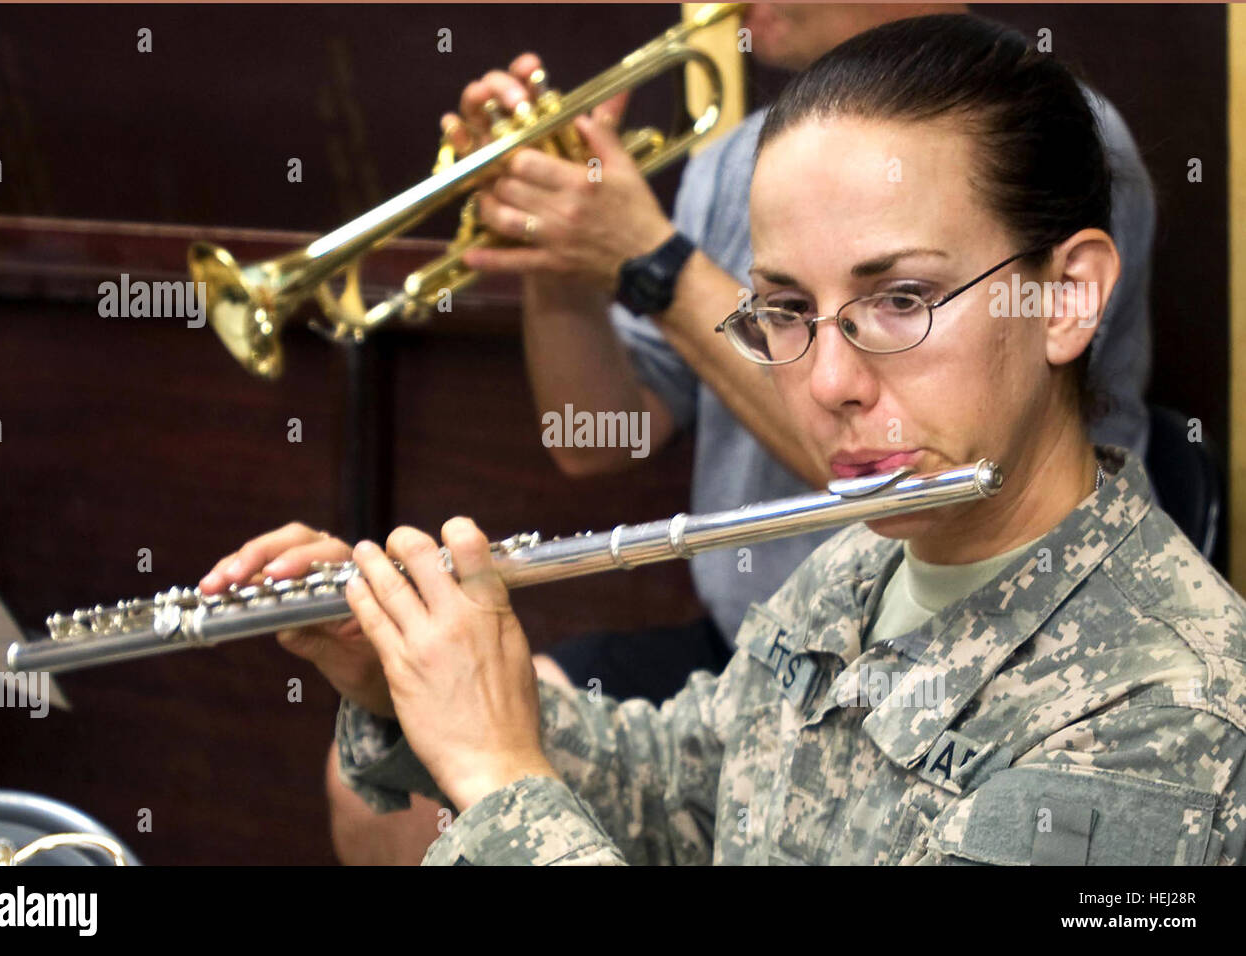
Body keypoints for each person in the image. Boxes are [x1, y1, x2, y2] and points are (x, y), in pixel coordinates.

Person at [202, 14, 1245, 865]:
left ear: (1065, 299)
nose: (828, 383)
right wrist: (416, 679)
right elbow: (694, 787)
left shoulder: (1162, 709)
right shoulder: (862, 563)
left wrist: (498, 775)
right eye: (785, 311)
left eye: (901, 299)